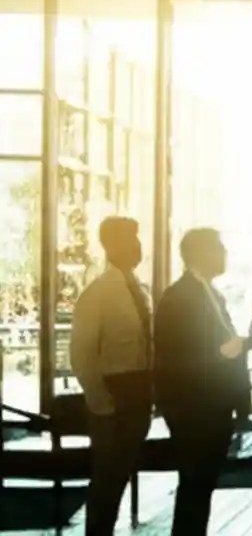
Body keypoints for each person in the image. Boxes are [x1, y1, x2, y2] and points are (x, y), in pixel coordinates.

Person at [154, 229, 252, 535]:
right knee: (196, 483)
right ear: (202, 253)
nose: (225, 254)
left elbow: (219, 348)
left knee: (200, 484)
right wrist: (239, 345)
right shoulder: (182, 296)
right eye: (219, 248)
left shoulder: (207, 292)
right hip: (194, 406)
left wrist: (243, 345)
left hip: (207, 406)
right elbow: (191, 352)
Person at [70, 216, 153, 536]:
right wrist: (99, 399)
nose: (138, 247)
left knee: (121, 471)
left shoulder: (140, 290)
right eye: (131, 240)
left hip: (139, 390)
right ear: (112, 245)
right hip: (113, 391)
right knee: (107, 475)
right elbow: (82, 353)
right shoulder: (98, 293)